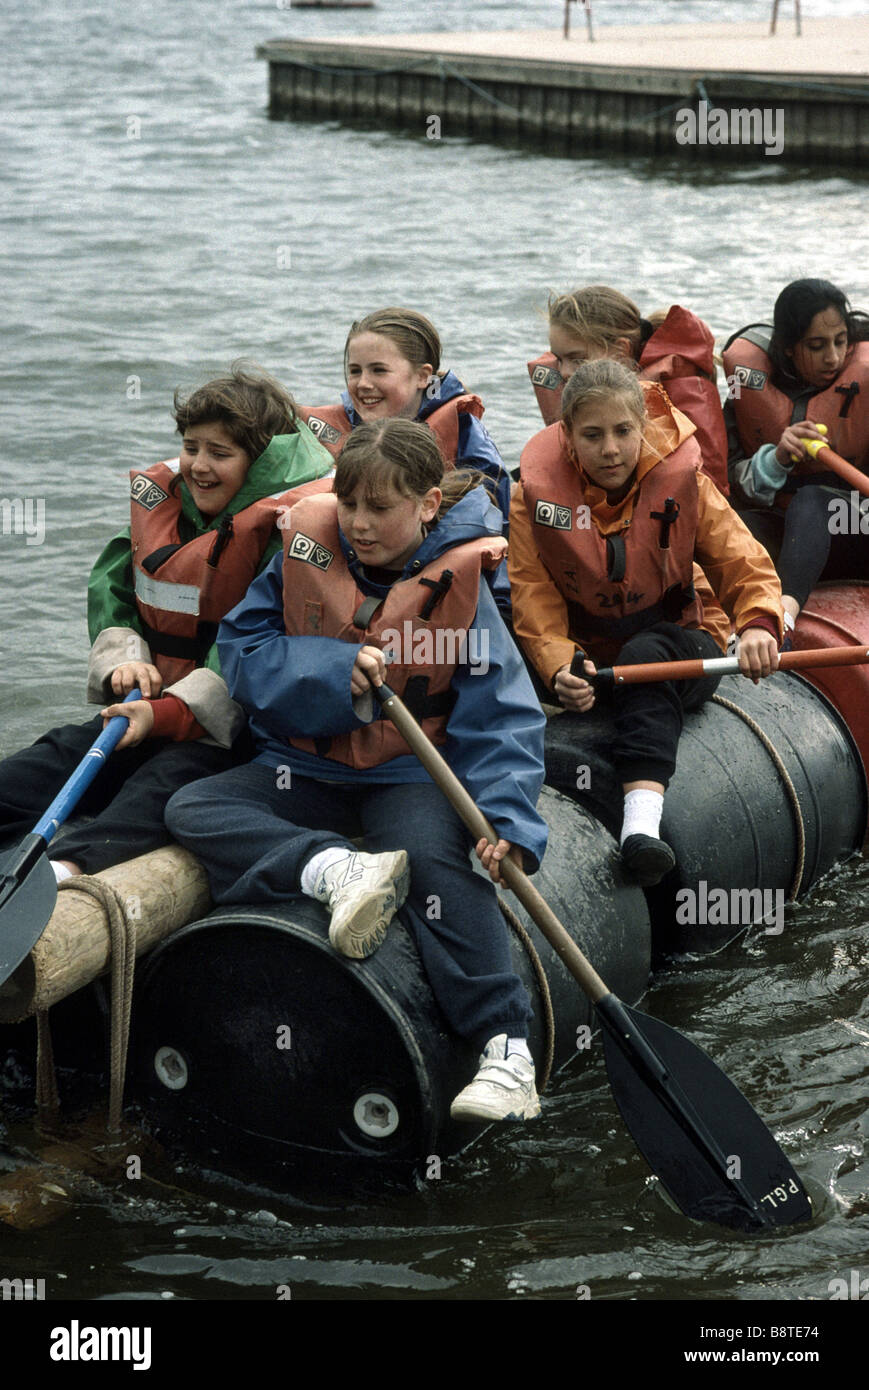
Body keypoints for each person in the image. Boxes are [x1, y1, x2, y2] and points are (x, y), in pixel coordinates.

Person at [165, 418, 548, 1124]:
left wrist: (506, 822)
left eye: (380, 509)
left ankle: (506, 1049)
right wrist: (332, 670)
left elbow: (502, 713)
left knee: (444, 861)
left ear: (427, 504)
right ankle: (329, 870)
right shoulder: (301, 552)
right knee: (194, 808)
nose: (359, 525)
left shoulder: (459, 580)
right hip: (299, 770)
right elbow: (243, 653)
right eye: (349, 506)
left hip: (403, 775)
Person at [0, 364, 334, 877]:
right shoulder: (167, 504)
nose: (198, 465)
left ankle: (65, 873)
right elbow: (116, 587)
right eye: (191, 446)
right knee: (50, 760)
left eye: (220, 453)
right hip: (142, 710)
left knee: (154, 792)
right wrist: (124, 663)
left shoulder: (291, 533)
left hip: (231, 736)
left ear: (262, 461)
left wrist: (175, 714)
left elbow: (259, 646)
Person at [508, 358, 783, 887]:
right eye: (592, 435)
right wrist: (561, 666)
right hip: (593, 659)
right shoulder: (531, 499)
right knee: (505, 633)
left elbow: (741, 561)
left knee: (647, 656)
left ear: (644, 428)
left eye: (622, 432)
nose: (610, 449)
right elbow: (534, 599)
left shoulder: (685, 482)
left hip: (678, 645)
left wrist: (758, 627)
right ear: (566, 436)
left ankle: (640, 826)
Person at [723, 278, 869, 630]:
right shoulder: (747, 386)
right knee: (730, 528)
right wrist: (777, 460)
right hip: (788, 533)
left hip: (856, 526)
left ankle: (782, 618)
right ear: (788, 347)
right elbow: (729, 484)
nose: (833, 356)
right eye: (816, 346)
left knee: (813, 502)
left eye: (840, 342)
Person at [295, 307, 512, 524]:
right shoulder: (327, 429)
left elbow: (493, 519)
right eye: (355, 371)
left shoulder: (465, 436)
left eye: (379, 370)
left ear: (422, 376)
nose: (363, 383)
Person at [527, 285, 729, 494]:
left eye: (577, 359)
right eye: (559, 360)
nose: (565, 372)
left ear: (621, 351)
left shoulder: (683, 390)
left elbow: (709, 487)